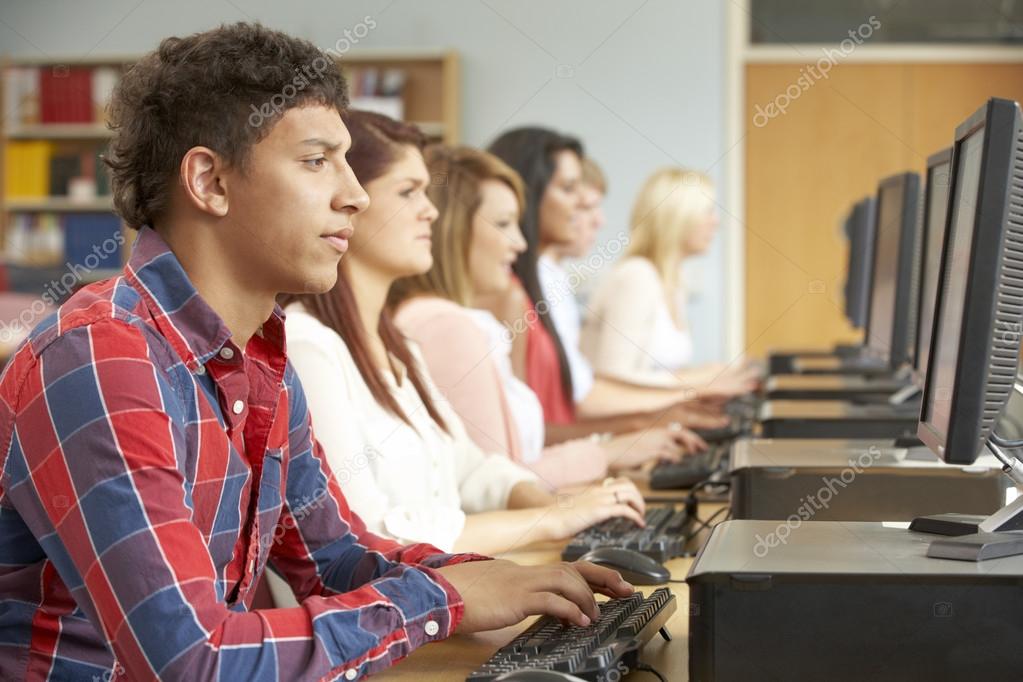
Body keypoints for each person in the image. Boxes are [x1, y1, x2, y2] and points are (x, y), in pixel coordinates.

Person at [0, 25, 633, 682]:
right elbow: (192, 659)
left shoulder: (259, 360)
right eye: (315, 160)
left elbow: (334, 557)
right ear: (210, 181)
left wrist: (499, 581)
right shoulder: (102, 357)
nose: (353, 195)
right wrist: (438, 600)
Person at [278, 111, 646, 560]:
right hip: (399, 613)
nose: (430, 210)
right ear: (350, 201)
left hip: (440, 592)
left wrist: (559, 506)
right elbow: (366, 533)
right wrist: (547, 521)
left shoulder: (398, 345)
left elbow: (470, 469)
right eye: (408, 192)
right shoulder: (309, 345)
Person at [390, 145, 696, 489]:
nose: (520, 243)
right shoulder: (444, 326)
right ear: (453, 229)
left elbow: (507, 467)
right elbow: (499, 485)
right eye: (504, 224)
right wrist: (607, 452)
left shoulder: (468, 321)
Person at [485, 128, 733, 444]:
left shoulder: (548, 280)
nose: (587, 210)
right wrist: (689, 392)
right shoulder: (511, 293)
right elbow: (578, 401)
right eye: (570, 190)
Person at [581, 167, 761, 390]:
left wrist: (710, 373)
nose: (715, 222)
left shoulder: (672, 282)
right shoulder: (637, 275)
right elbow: (611, 378)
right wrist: (703, 380)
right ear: (677, 217)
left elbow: (655, 372)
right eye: (707, 211)